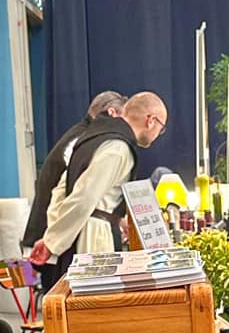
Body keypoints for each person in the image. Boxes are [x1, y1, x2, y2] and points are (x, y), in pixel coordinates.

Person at [32, 91, 168, 279]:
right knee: (94, 304)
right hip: (93, 241)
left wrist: (53, 234)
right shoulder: (118, 148)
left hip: (77, 232)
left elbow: (62, 190)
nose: (158, 134)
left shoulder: (92, 136)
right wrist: (51, 242)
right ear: (151, 120)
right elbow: (84, 197)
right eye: (161, 128)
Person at [21, 89, 126, 277]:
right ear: (112, 113)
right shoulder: (85, 140)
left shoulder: (83, 135)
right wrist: (53, 240)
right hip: (51, 232)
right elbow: (77, 192)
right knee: (58, 297)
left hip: (56, 232)